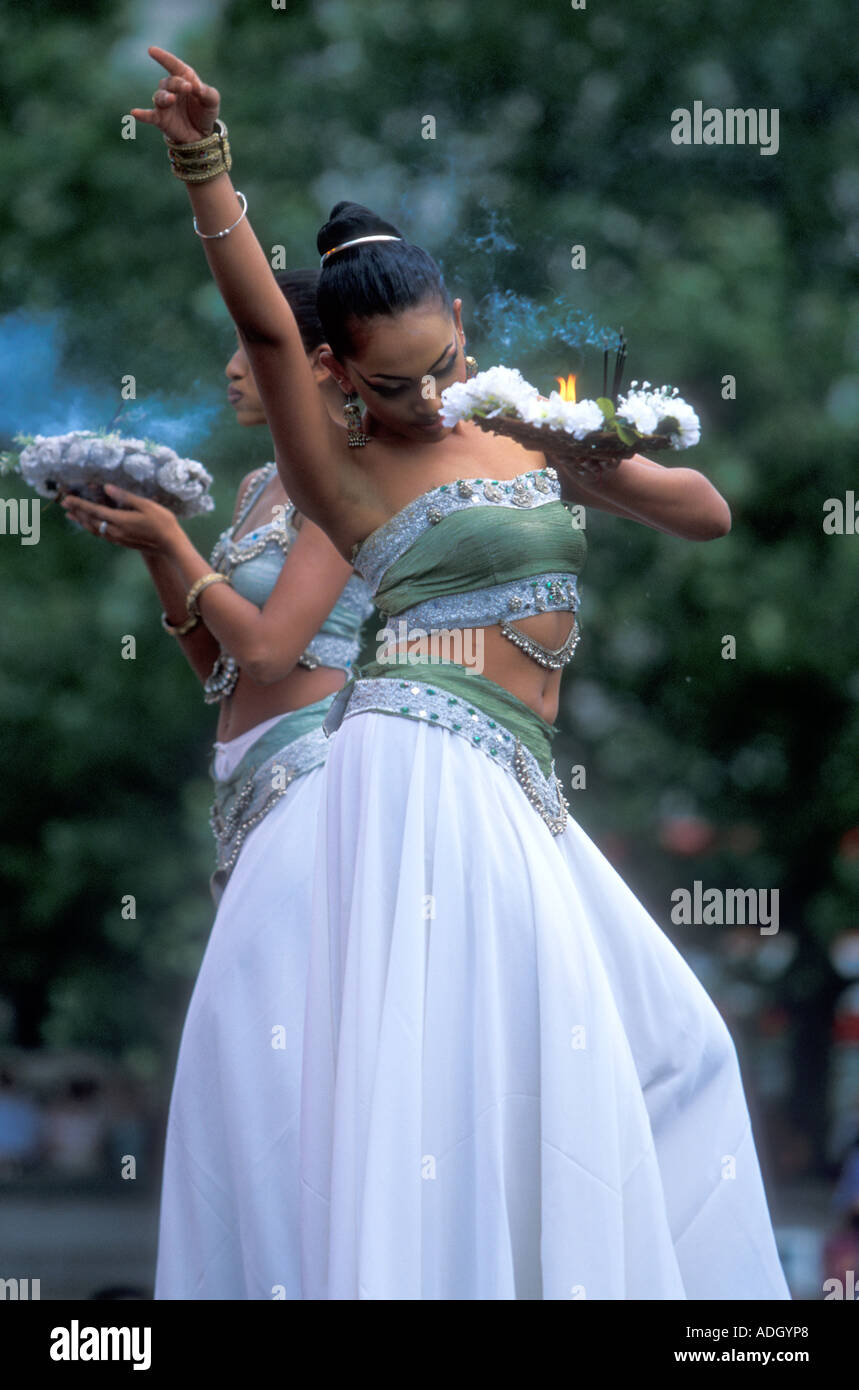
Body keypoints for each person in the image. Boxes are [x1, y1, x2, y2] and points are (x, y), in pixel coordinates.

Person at [127, 45, 791, 1300]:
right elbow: (263, 317)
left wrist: (581, 449)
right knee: (474, 1076)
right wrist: (205, 164)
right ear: (335, 376)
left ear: (464, 329)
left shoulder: (513, 425)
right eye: (390, 380)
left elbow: (703, 511)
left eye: (440, 362)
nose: (426, 394)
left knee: (676, 1043)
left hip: (517, 783)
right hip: (417, 768)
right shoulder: (347, 474)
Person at [61, 276, 375, 1298]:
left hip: (316, 777)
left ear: (319, 363)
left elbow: (279, 648)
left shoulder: (345, 483)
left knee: (261, 1058)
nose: (234, 368)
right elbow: (222, 670)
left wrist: (175, 545)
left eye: (251, 346)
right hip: (244, 787)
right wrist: (154, 552)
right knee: (242, 1070)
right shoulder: (256, 489)